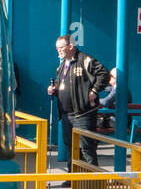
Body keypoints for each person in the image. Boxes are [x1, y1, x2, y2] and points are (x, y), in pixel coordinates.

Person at [47, 34, 110, 171]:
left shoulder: (84, 59)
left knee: (86, 147)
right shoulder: (62, 65)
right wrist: (53, 90)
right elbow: (61, 85)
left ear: (71, 46)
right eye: (57, 48)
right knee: (70, 145)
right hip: (66, 114)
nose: (59, 50)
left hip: (83, 113)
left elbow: (104, 74)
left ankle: (92, 182)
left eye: (61, 47)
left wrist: (94, 91)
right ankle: (73, 178)